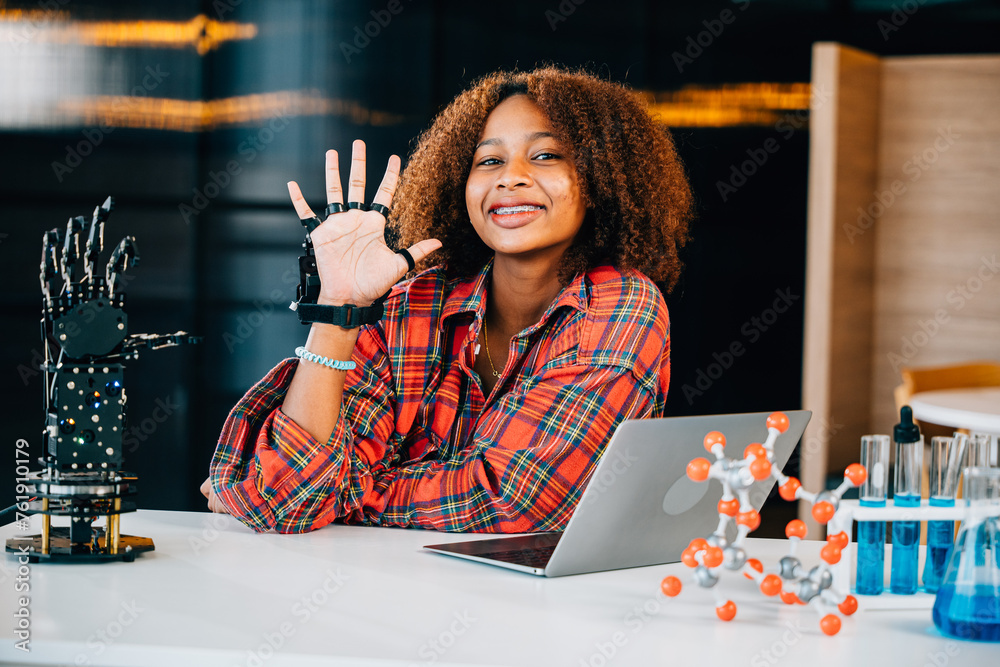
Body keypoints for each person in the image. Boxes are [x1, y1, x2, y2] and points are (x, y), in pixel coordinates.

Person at [202, 66, 693, 534]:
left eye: (545, 156)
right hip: (393, 602)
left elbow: (516, 503)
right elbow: (290, 495)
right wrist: (339, 308)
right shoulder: (416, 301)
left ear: (600, 178)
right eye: (489, 160)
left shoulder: (620, 304)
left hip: (546, 614)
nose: (511, 177)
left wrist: (342, 494)